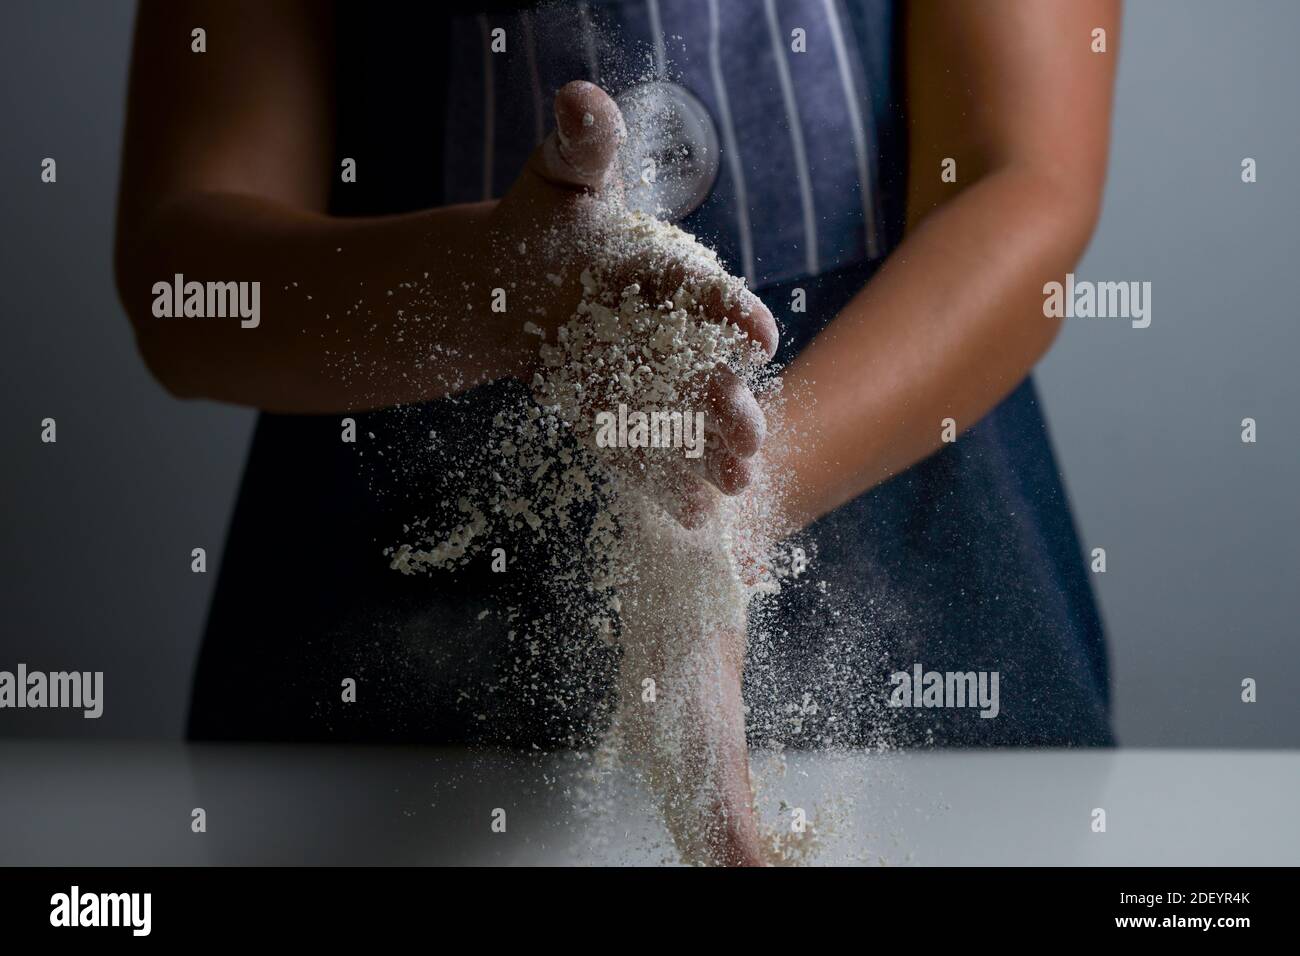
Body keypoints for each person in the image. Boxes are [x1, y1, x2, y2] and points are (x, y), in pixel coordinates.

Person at [115, 0, 1119, 865]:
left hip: (910, 548)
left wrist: (724, 510)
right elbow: (186, 285)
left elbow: (1021, 182)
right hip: (386, 633)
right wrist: (503, 291)